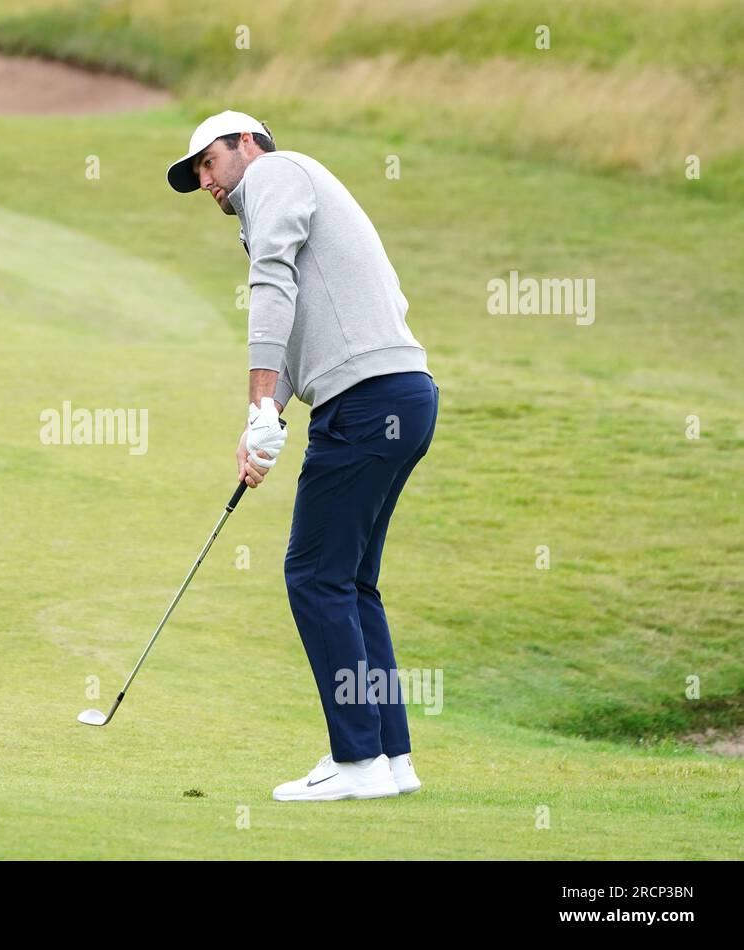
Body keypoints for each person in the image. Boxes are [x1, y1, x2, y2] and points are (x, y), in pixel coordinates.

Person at [166, 111, 439, 801]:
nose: (204, 180)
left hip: (367, 402)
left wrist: (262, 407)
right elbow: (291, 332)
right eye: (195, 172)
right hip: (402, 398)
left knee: (314, 576)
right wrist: (264, 420)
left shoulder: (277, 174)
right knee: (350, 582)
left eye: (208, 161)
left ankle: (354, 763)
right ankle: (389, 758)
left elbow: (273, 283)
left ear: (247, 144)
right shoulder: (276, 199)